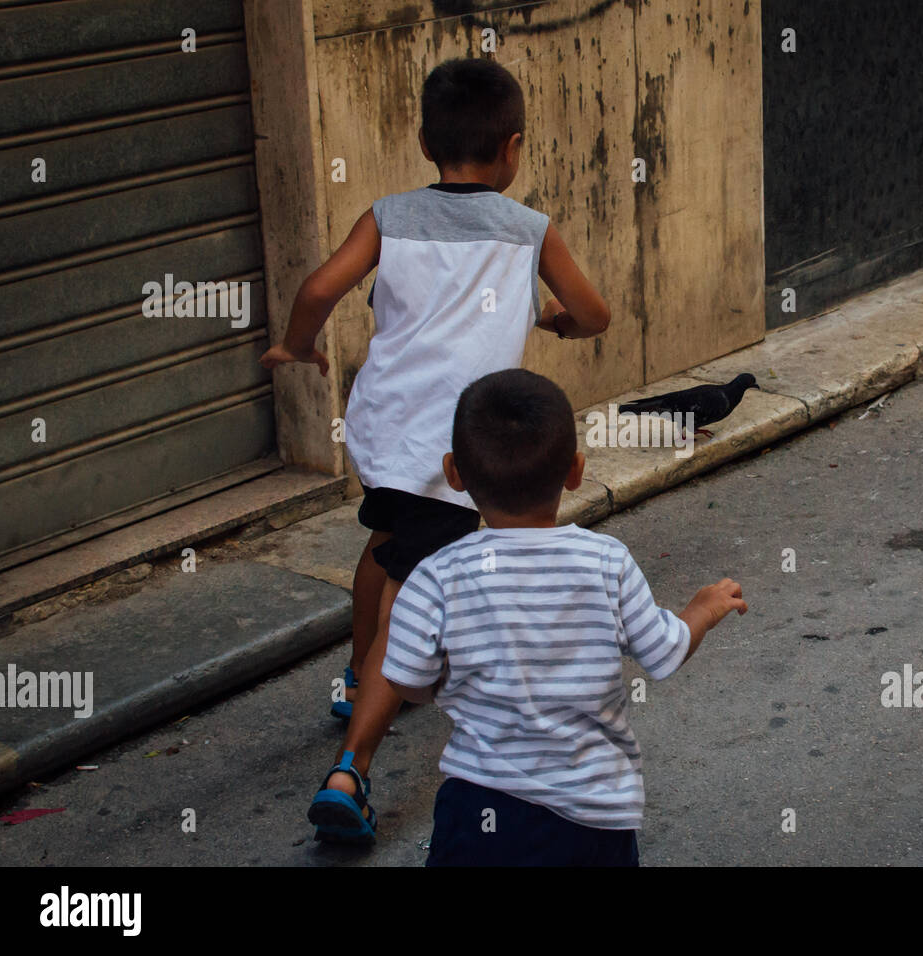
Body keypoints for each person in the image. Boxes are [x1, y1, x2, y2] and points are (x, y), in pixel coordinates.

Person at [259, 57, 610, 843]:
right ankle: (352, 771)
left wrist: (297, 347)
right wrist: (554, 322)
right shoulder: (530, 232)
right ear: (514, 148)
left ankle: (355, 679)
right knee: (412, 596)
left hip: (384, 428)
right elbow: (596, 314)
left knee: (388, 543)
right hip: (461, 446)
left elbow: (319, 288)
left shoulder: (388, 215)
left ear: (424, 141)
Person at [380, 369, 747, 865]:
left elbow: (404, 680)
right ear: (575, 471)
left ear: (453, 474)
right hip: (592, 814)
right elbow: (664, 651)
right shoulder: (606, 562)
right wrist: (700, 611)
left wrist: (450, 679)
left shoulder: (435, 577)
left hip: (478, 812)